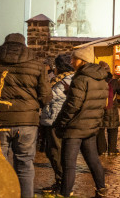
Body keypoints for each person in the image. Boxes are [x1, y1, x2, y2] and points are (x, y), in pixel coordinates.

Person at [0, 32, 51, 198]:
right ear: (23, 45)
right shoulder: (36, 64)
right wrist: (33, 108)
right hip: (26, 123)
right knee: (25, 165)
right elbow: (46, 95)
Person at [54, 47, 108, 198]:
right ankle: (101, 189)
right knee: (93, 160)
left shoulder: (81, 78)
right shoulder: (101, 78)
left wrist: (61, 122)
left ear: (83, 60)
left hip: (75, 128)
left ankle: (65, 193)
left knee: (69, 164)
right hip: (90, 126)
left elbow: (73, 105)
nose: (71, 62)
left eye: (74, 59)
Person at [39, 53, 74, 194]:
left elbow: (50, 98)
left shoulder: (66, 80)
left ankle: (62, 184)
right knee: (52, 151)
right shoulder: (60, 79)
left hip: (56, 120)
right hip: (52, 118)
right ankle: (60, 182)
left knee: (55, 152)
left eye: (55, 66)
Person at [97, 61, 120, 156]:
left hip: (98, 108)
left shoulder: (95, 81)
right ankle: (112, 150)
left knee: (100, 129)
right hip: (111, 108)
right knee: (112, 129)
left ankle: (101, 150)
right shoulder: (114, 82)